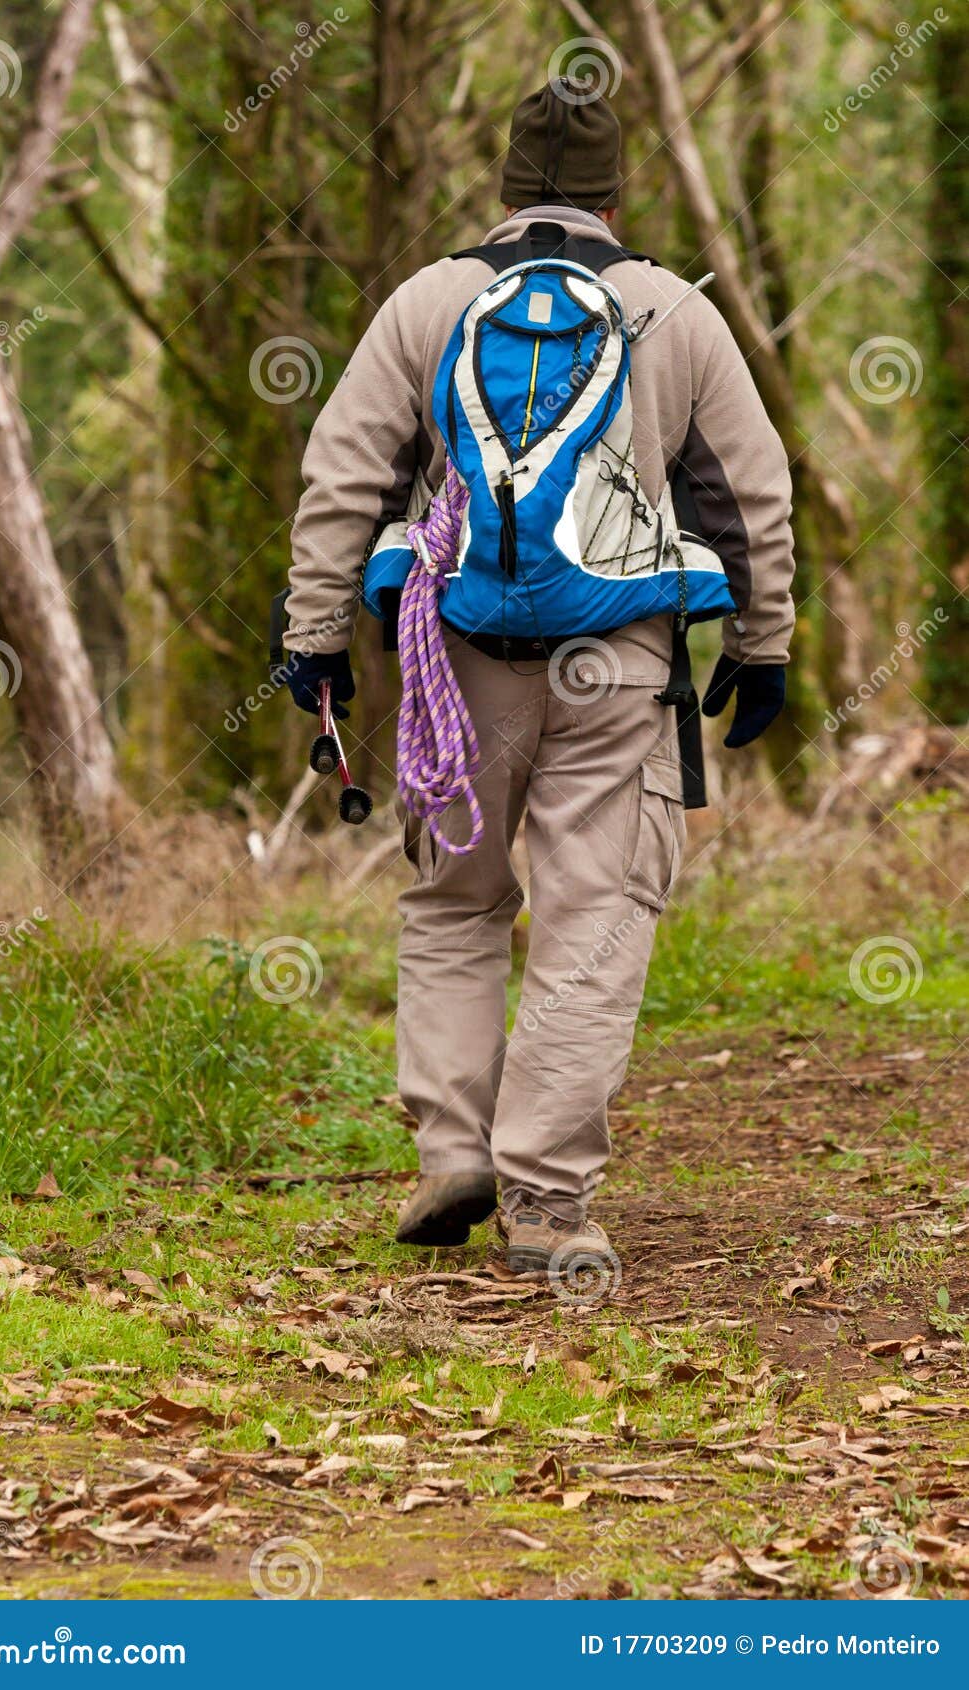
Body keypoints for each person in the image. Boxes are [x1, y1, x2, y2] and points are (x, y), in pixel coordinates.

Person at [281, 78, 794, 1278]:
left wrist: (314, 636)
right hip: (618, 665)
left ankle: (450, 1153)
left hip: (455, 662)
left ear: (506, 187)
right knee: (592, 916)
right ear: (615, 197)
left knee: (454, 903)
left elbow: (343, 475)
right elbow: (748, 493)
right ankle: (546, 1202)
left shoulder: (427, 302)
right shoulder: (673, 311)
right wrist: (760, 643)